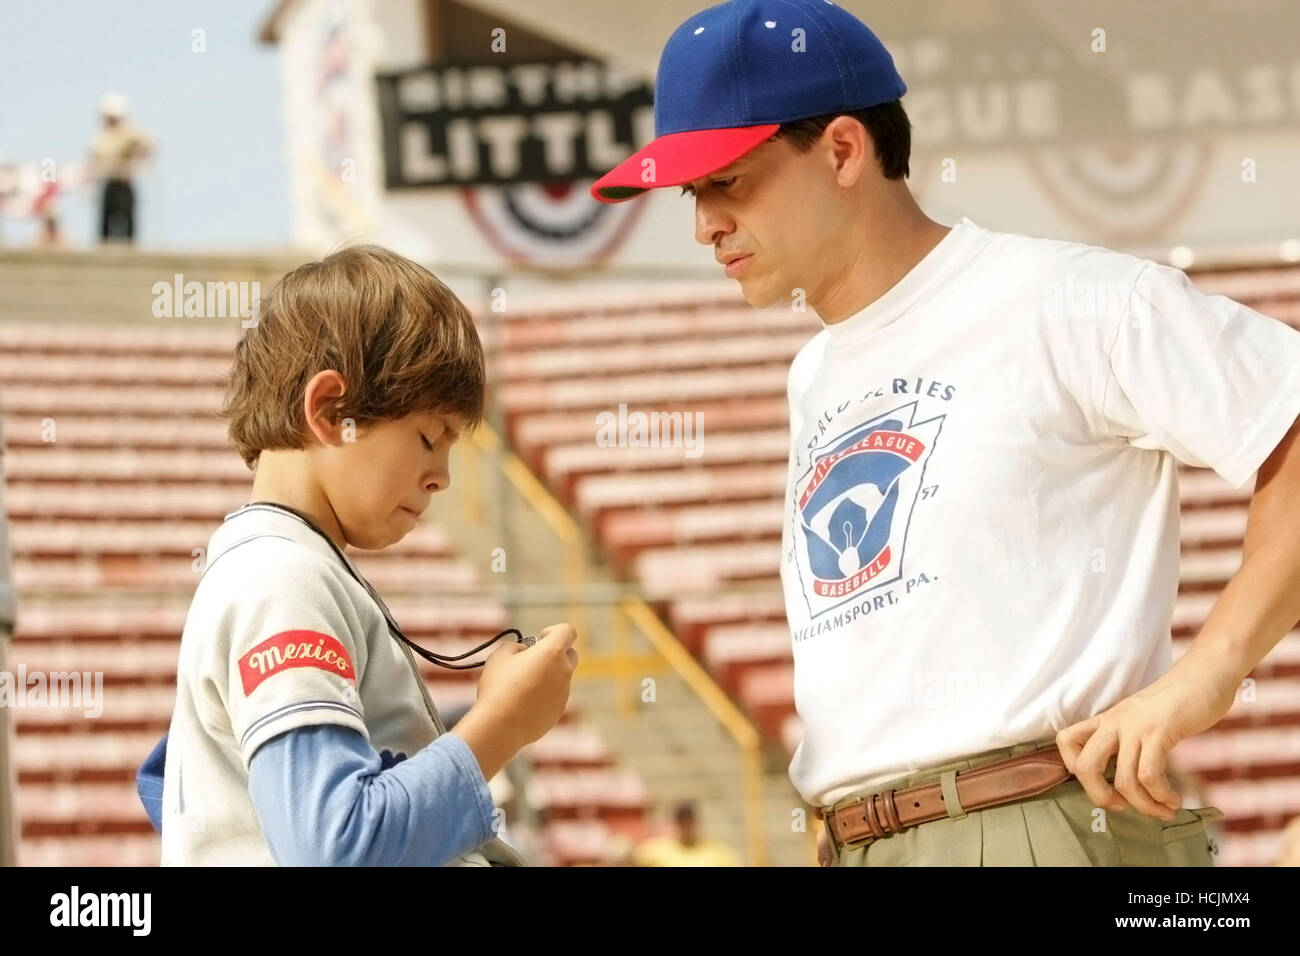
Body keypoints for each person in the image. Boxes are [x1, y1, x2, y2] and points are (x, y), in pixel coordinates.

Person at [592, 0, 1300, 866]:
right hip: (859, 837)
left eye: (726, 180)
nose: (704, 223)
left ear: (844, 149)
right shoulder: (813, 374)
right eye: (692, 193)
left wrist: (1209, 673)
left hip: (1027, 819)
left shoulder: (1068, 299)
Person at [139, 245, 578, 865]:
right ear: (329, 410)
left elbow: (180, 783)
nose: (441, 477)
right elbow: (336, 850)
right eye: (429, 438)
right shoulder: (281, 579)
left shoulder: (280, 567)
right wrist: (503, 723)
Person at [88, 93, 153, 243]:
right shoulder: (100, 138)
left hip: (125, 184)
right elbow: (95, 162)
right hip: (109, 184)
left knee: (128, 223)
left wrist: (136, 165)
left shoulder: (131, 134)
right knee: (105, 226)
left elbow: (149, 146)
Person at [634, 801, 743, 866]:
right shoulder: (655, 850)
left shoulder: (719, 852)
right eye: (682, 820)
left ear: (696, 821)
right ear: (675, 822)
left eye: (689, 820)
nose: (685, 825)